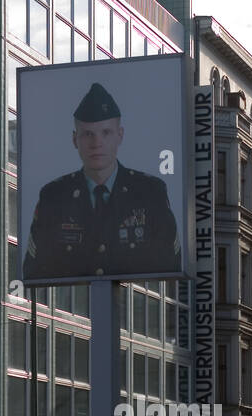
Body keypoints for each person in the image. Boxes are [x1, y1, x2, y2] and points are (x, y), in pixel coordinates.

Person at [21, 82, 180, 280]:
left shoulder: (150, 192)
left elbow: (171, 263)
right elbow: (34, 270)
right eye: (88, 134)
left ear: (120, 136)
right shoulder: (53, 196)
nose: (97, 143)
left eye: (106, 132)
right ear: (75, 140)